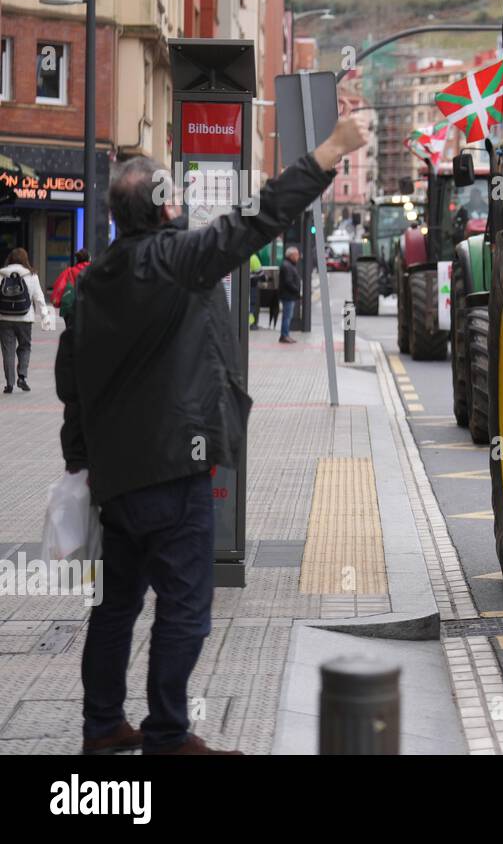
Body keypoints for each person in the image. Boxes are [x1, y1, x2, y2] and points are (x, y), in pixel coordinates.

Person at [57, 115, 366, 755]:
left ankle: (102, 728)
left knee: (115, 609)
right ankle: (168, 735)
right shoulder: (174, 261)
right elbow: (253, 222)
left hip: (118, 485)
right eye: (175, 195)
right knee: (185, 610)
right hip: (174, 473)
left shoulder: (89, 286)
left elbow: (71, 387)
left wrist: (82, 466)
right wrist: (329, 152)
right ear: (161, 206)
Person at [0, 247, 50, 393]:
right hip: (25, 317)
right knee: (25, 347)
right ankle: (22, 377)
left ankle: (9, 383)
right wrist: (45, 317)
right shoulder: (31, 275)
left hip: (4, 317)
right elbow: (39, 297)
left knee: (7, 351)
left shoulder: (2, 274)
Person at [278, 246, 302, 344]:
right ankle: (284, 335)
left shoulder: (288, 265)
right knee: (287, 317)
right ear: (291, 255)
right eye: (296, 255)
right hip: (288, 295)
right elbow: (288, 282)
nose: (298, 257)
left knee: (287, 316)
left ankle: (285, 335)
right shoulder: (287, 266)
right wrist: (297, 290)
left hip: (288, 295)